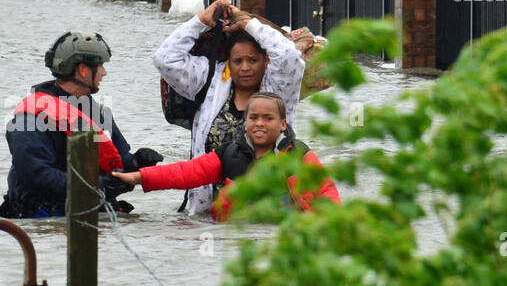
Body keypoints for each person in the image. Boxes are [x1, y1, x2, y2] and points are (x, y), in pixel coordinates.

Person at [153, 0, 305, 216]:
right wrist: (200, 22)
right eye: (238, 61)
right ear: (228, 63)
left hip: (269, 213)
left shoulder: (278, 89)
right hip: (209, 214)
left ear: (266, 61)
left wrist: (246, 22)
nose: (245, 68)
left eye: (252, 60)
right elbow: (164, 59)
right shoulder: (210, 80)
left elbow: (290, 56)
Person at [0, 31, 162, 218]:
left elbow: (115, 163)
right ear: (83, 70)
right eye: (100, 66)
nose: (104, 72)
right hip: (47, 220)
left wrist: (136, 163)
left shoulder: (98, 113)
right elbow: (37, 176)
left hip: (95, 214)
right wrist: (99, 185)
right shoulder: (29, 120)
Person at [110, 91, 339, 220]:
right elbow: (186, 173)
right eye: (253, 118)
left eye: (268, 118)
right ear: (245, 122)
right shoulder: (230, 154)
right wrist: (140, 177)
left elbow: (327, 192)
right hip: (238, 236)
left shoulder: (299, 155)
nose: (259, 124)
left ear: (282, 124)